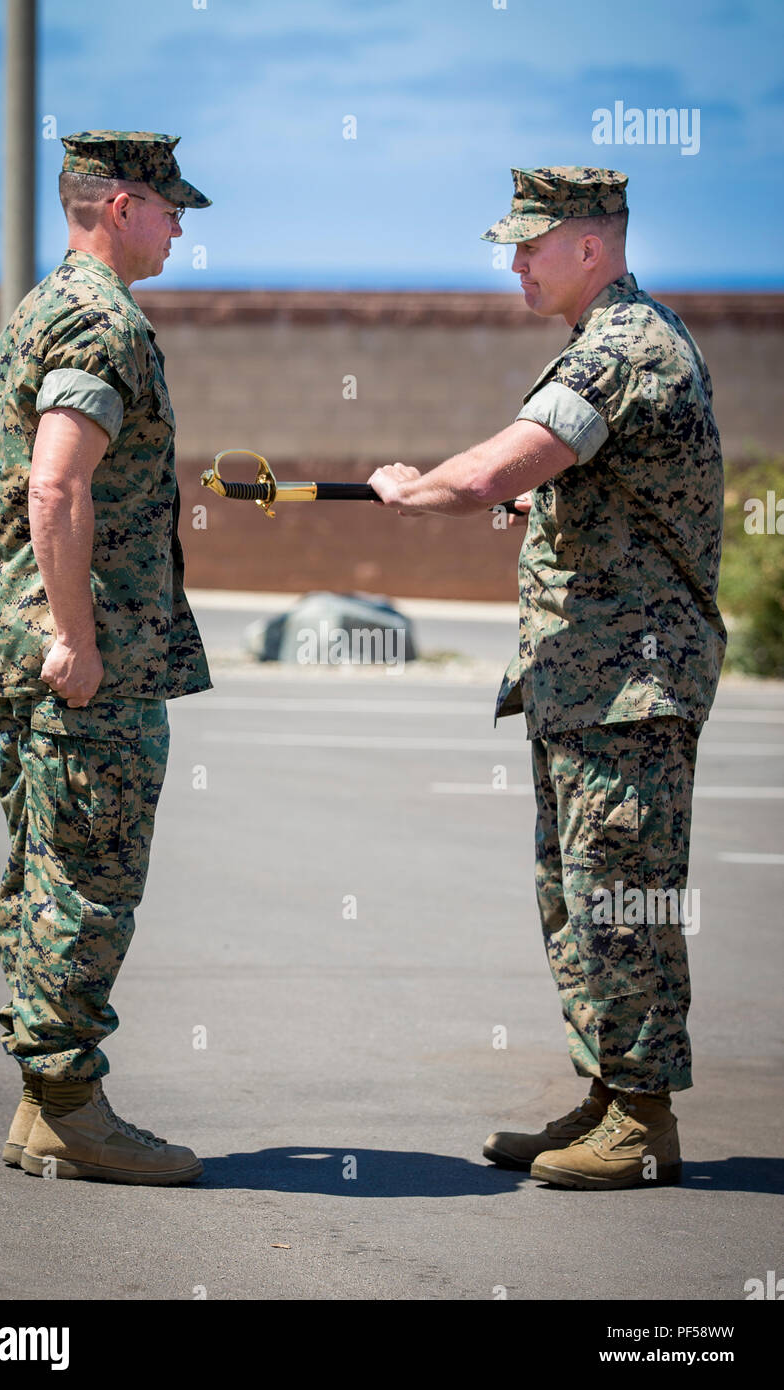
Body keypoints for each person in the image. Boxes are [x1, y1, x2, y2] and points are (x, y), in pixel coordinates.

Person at [368, 166, 726, 1190]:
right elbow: (591, 491)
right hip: (588, 682)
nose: (512, 261)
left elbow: (491, 473)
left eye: (529, 242)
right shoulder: (607, 343)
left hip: (629, 687)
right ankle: (608, 1091)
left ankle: (641, 1118)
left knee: (620, 901)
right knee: (577, 901)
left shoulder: (619, 350)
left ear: (590, 244)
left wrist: (415, 489)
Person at [0, 131, 213, 1185]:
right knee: (88, 875)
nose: (178, 225)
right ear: (118, 204)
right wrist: (76, 634)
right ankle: (71, 1102)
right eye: (169, 208)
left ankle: (45, 1100)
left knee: (45, 869)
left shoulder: (45, 301)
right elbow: (57, 486)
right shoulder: (100, 321)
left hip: (41, 644)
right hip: (84, 656)